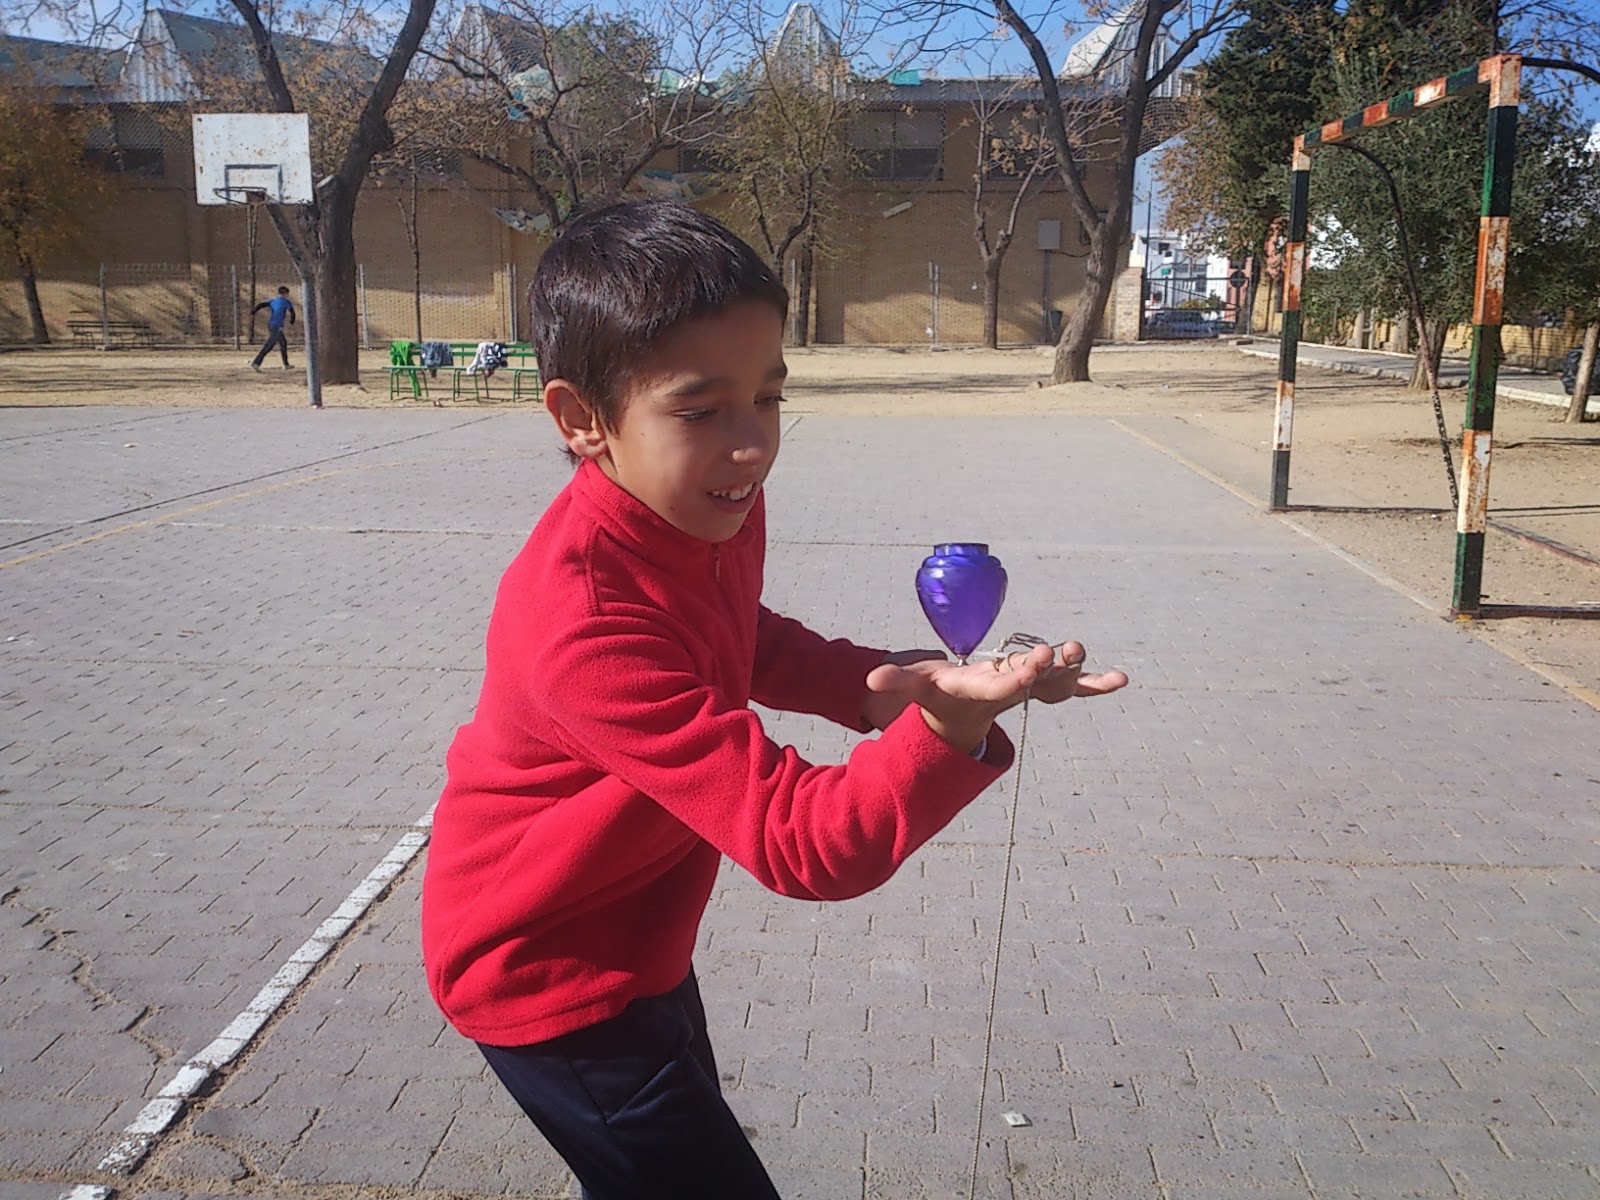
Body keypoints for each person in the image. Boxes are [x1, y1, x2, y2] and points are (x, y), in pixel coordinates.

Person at [419, 200, 1129, 1200]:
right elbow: (800, 840)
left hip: (637, 940)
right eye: (702, 410)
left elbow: (739, 635)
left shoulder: (700, 506)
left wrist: (891, 687)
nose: (751, 444)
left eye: (771, 397)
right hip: (547, 974)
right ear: (582, 420)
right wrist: (943, 729)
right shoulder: (581, 621)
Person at [250, 286, 295, 371]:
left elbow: (261, 305)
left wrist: (253, 312)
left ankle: (286, 364)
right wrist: (292, 322)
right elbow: (292, 313)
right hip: (277, 326)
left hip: (271, 324)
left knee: (283, 343)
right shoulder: (286, 302)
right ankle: (256, 363)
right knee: (269, 345)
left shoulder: (273, 301)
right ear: (286, 293)